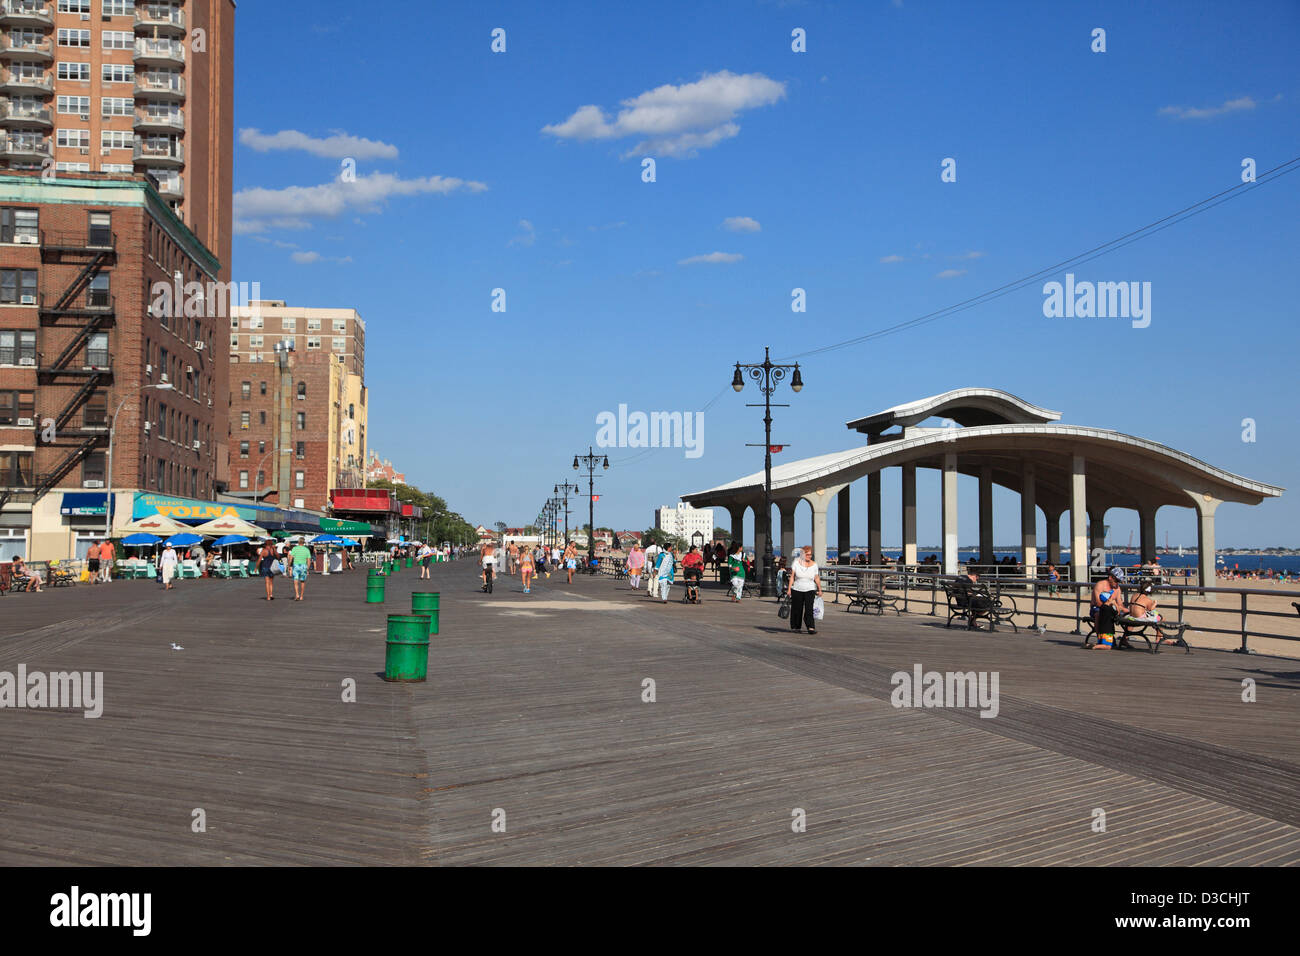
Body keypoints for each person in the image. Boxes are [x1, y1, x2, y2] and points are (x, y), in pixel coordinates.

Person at [786, 545, 823, 634]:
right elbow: (792, 577)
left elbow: (816, 577)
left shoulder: (814, 565)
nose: (809, 556)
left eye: (810, 554)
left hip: (810, 589)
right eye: (807, 555)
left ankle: (811, 627)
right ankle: (796, 626)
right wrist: (789, 589)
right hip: (797, 588)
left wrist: (820, 589)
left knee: (809, 608)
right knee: (797, 608)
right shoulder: (796, 563)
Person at [1089, 567, 1129, 649]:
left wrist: (1129, 611)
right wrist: (1111, 606)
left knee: (1129, 616)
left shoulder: (1117, 588)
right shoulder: (1100, 585)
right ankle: (1101, 639)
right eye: (1116, 580)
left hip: (1111, 609)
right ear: (1110, 577)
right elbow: (1098, 603)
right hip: (1097, 608)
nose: (1117, 583)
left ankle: (1124, 639)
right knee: (1098, 614)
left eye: (1119, 581)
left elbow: (1120, 604)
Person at [290, 536, 312, 601]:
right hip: (303, 566)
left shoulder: (294, 548)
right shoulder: (306, 549)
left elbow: (291, 558)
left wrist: (289, 565)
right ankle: (301, 596)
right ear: (304, 542)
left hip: (296, 565)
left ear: (298, 542)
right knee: (302, 581)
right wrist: (307, 568)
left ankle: (297, 594)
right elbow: (308, 560)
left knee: (295, 581)